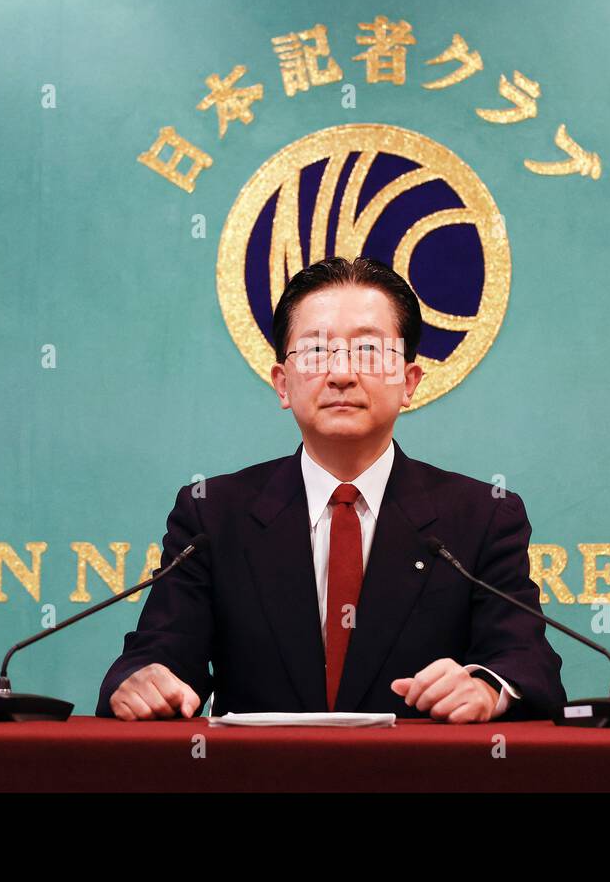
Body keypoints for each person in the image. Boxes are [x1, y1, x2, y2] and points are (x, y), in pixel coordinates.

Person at [96, 256, 567, 722]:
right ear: (282, 383)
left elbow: (526, 660)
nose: (342, 374)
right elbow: (162, 651)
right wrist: (141, 679)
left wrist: (486, 687)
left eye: (369, 351)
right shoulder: (214, 515)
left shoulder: (481, 517)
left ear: (409, 382)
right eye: (317, 351)